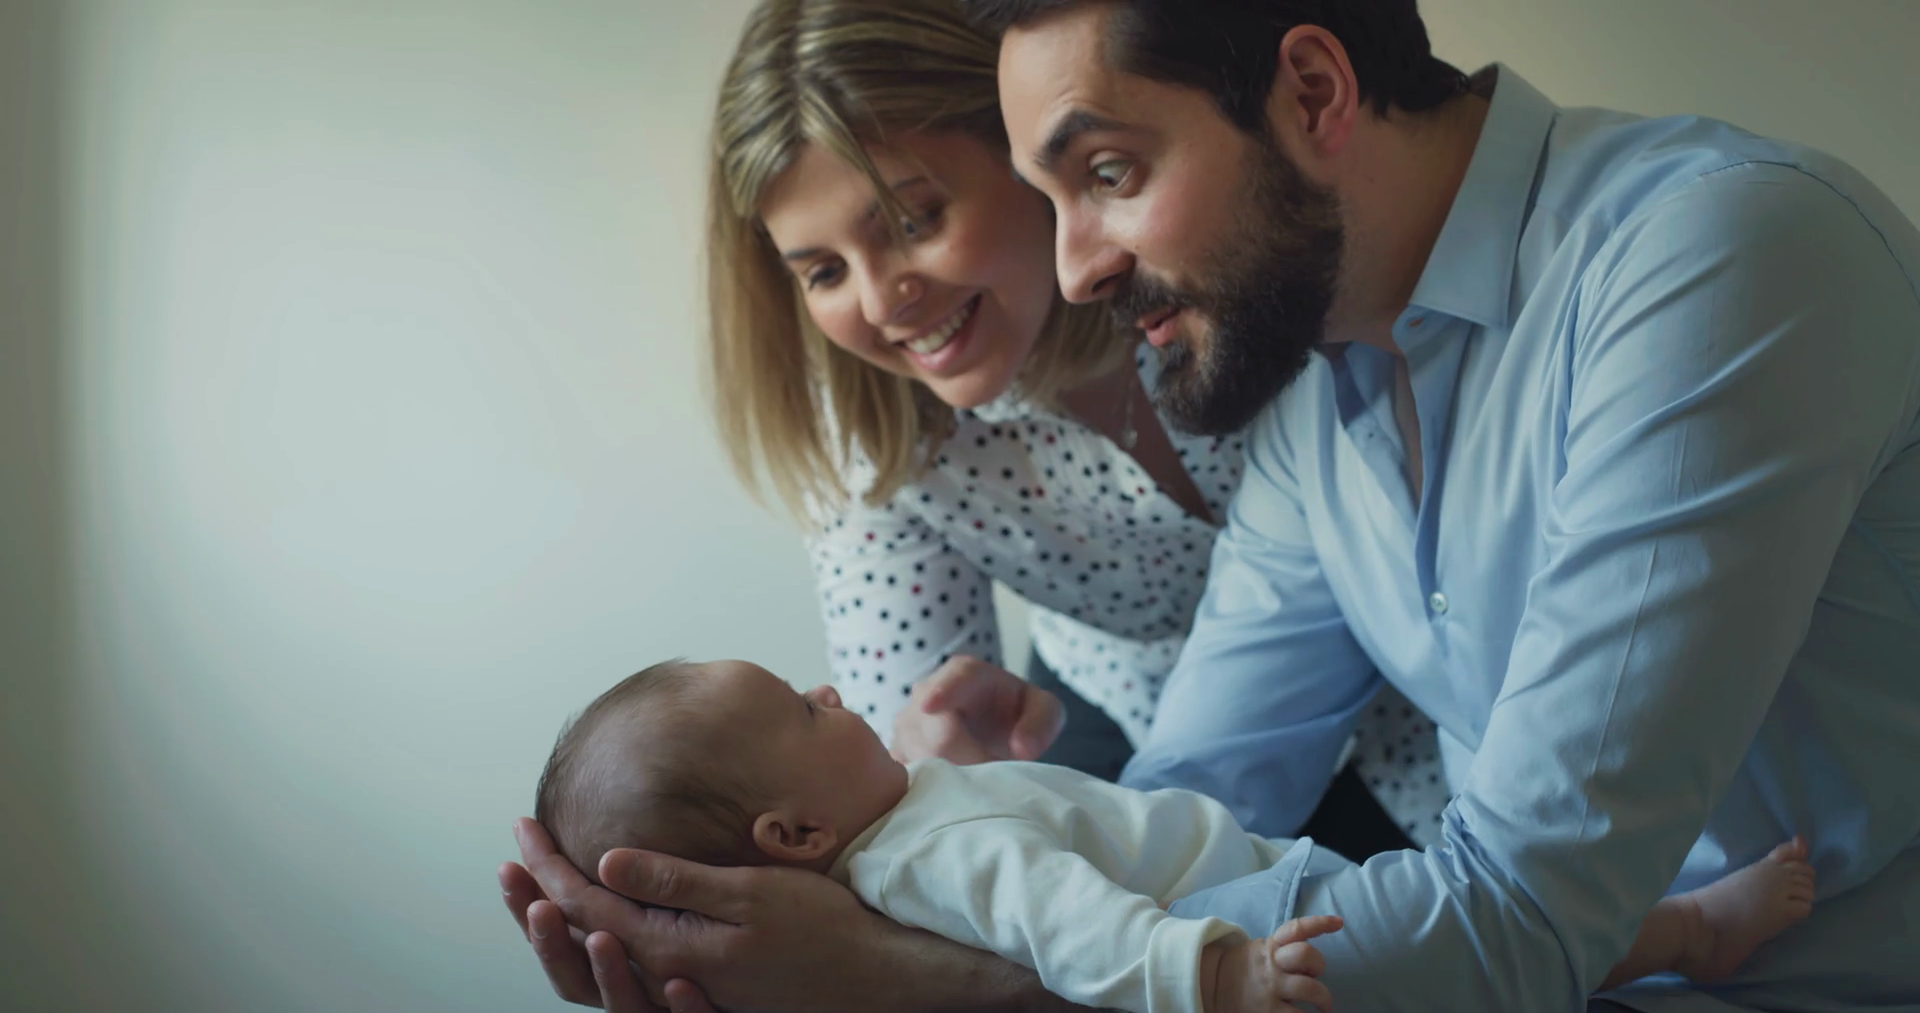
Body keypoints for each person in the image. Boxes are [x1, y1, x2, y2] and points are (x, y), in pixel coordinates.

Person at [506, 0, 1919, 1011]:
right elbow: (1186, 813)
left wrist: (925, 978)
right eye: (1055, 190)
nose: (1076, 267)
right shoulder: (1318, 386)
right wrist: (919, 879)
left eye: (1107, 174)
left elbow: (1514, 919)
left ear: (1313, 91)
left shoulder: (1718, 260)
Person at [500, 0, 1457, 1002]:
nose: (882, 300)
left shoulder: (1235, 267)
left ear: (1027, 147)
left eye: (915, 221)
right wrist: (931, 782)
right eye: (823, 270)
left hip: (1414, 671)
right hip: (1133, 732)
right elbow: (859, 810)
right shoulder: (880, 445)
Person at [531, 657, 1815, 1013]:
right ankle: (1684, 934)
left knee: (1457, 932)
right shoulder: (922, 853)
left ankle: (1673, 935)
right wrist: (1214, 972)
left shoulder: (918, 812)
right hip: (1231, 917)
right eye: (800, 708)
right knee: (1447, 933)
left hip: (1241, 867)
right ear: (799, 829)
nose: (830, 687)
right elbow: (1064, 920)